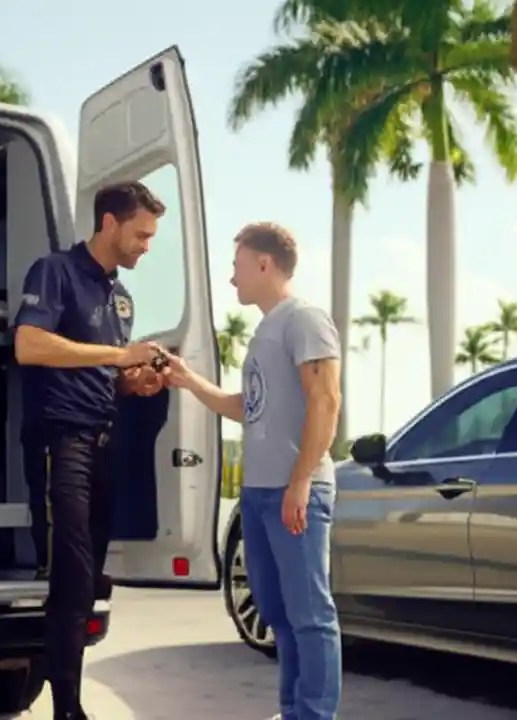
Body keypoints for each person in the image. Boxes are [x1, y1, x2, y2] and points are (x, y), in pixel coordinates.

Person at [164, 222, 343, 720]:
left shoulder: (304, 319)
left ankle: (314, 714)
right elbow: (249, 405)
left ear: (265, 264)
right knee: (277, 614)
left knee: (311, 615)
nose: (231, 278)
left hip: (295, 490)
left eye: (237, 266)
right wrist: (187, 380)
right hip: (260, 494)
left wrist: (301, 481)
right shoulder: (266, 329)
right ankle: (291, 710)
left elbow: (326, 402)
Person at [12, 181, 169, 720]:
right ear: (110, 223)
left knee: (89, 579)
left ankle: (68, 704)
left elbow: (104, 370)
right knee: (71, 576)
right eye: (141, 234)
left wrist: (132, 381)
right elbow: (29, 345)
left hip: (104, 443)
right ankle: (66, 709)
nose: (147, 245)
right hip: (61, 442)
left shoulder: (121, 295)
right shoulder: (53, 271)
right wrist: (120, 353)